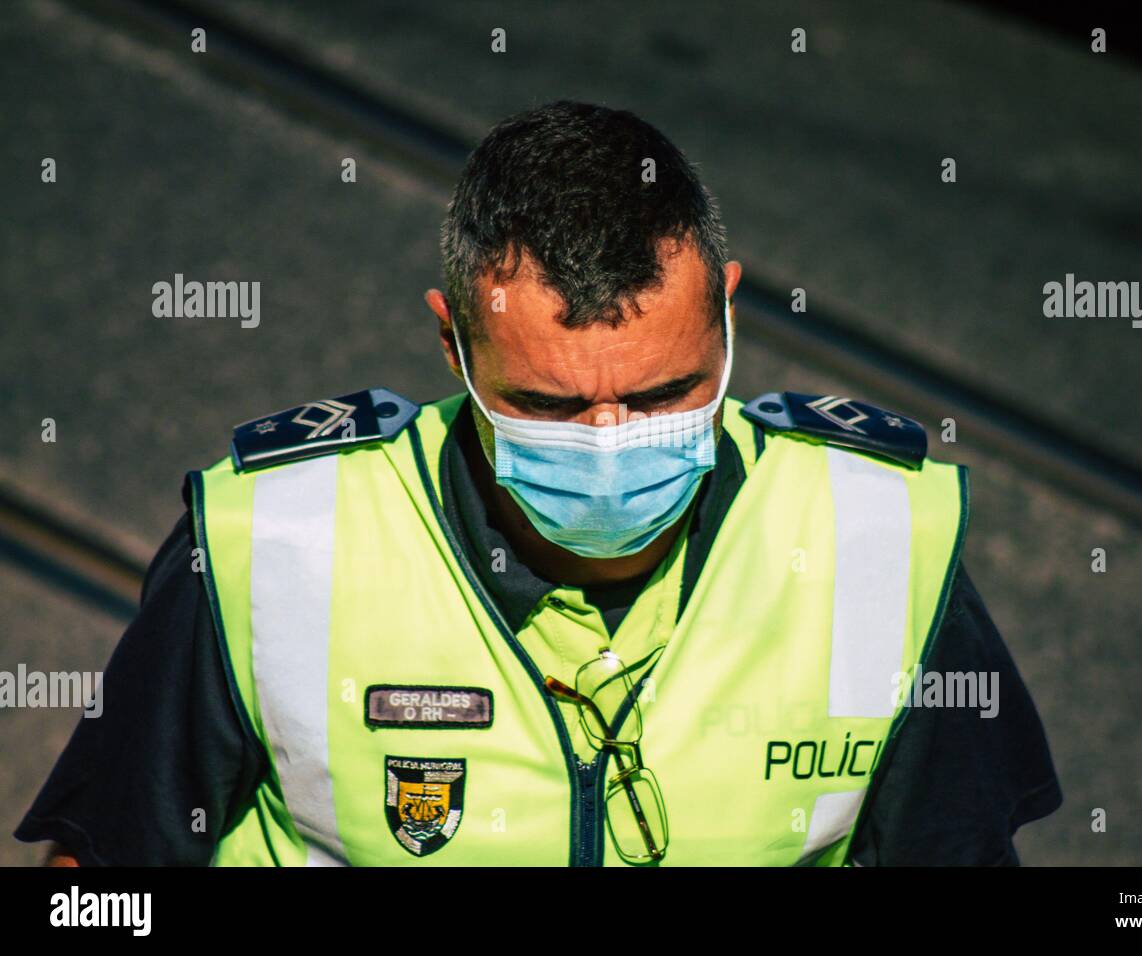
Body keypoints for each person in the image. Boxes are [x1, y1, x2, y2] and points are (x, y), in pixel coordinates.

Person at [16, 100, 1062, 866]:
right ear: (450, 340)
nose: (611, 442)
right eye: (552, 406)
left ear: (728, 317)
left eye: (662, 394)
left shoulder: (883, 537)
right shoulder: (271, 536)